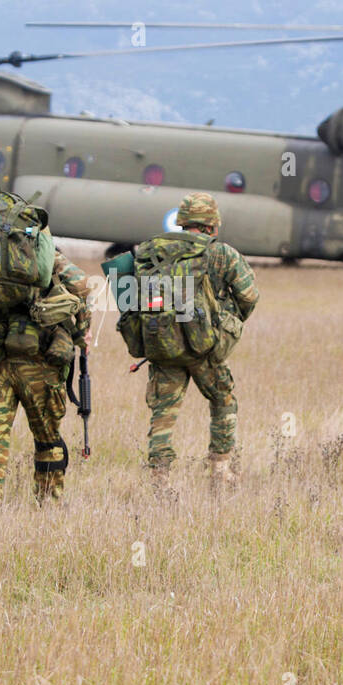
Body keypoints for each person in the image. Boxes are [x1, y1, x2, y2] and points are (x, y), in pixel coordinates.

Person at [134, 192, 258, 485]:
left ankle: (158, 478)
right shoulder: (222, 253)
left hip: (163, 343)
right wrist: (226, 321)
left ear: (182, 222)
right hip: (205, 348)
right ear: (212, 225)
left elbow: (133, 297)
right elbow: (250, 296)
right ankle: (220, 471)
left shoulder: (155, 251)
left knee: (163, 412)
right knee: (223, 399)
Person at [0, 248, 92, 512]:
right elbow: (80, 284)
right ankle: (49, 505)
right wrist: (82, 332)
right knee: (47, 438)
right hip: (40, 363)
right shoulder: (43, 250)